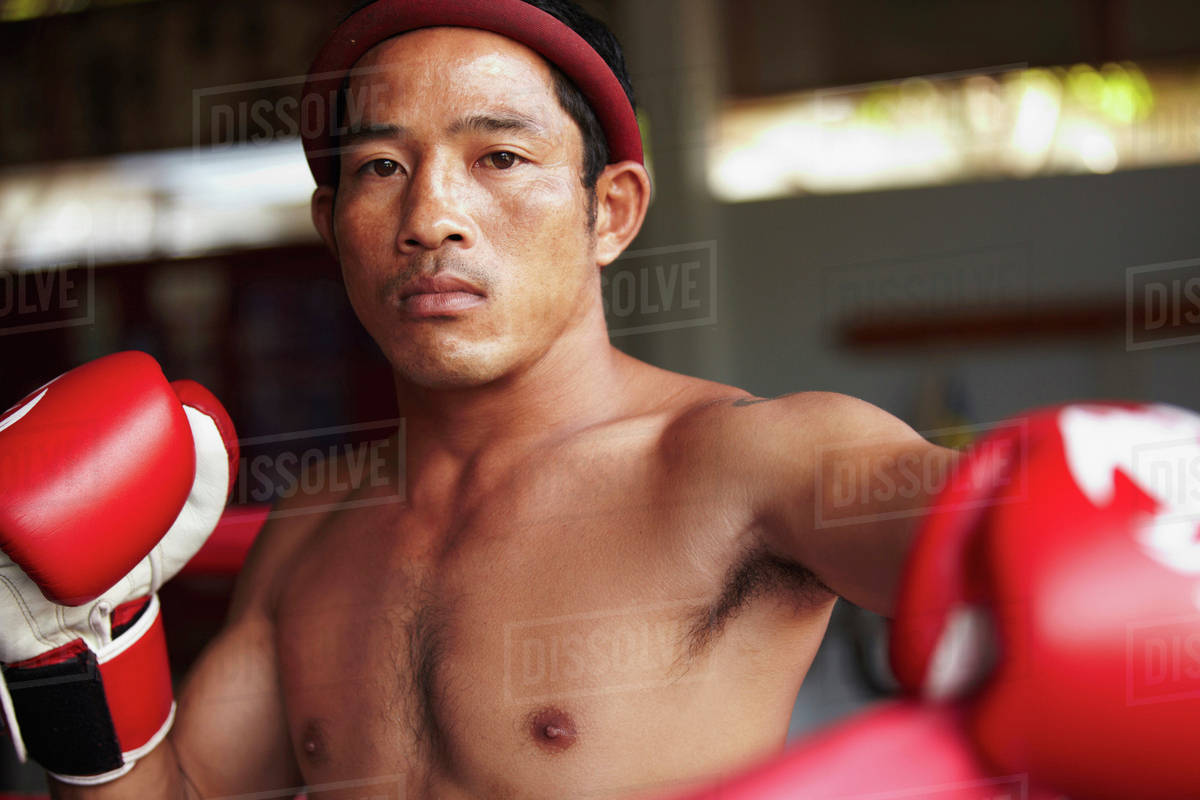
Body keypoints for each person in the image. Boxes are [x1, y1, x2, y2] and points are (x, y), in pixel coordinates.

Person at [4, 1, 1193, 798]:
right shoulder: (313, 531)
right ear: (334, 228)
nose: (431, 216)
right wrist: (80, 644)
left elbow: (1002, 525)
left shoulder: (748, 462)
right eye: (379, 168)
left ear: (612, 210)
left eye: (500, 157)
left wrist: (1144, 514)